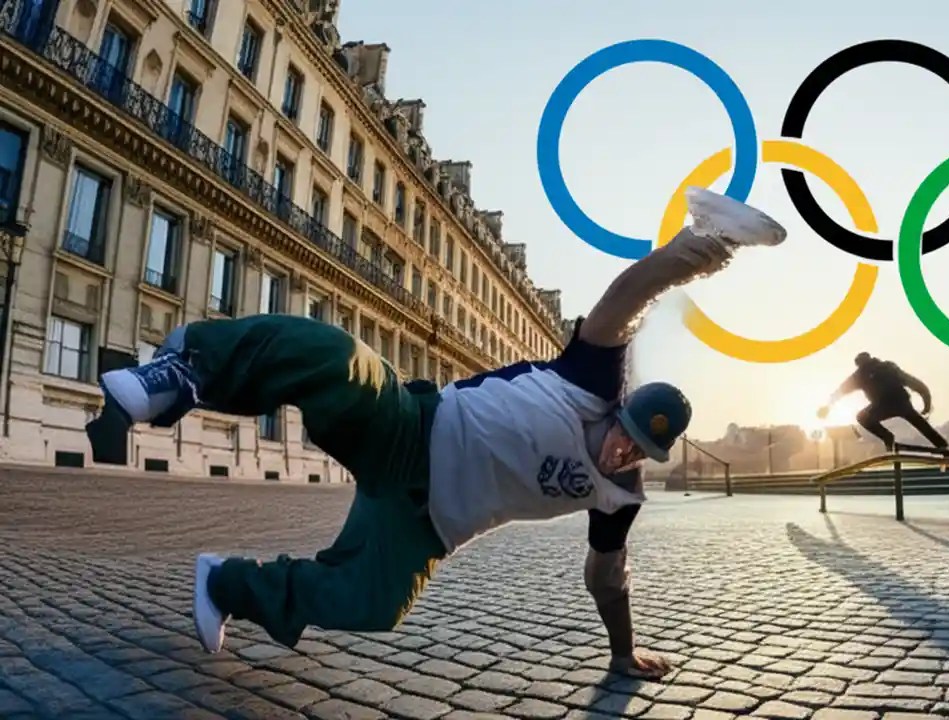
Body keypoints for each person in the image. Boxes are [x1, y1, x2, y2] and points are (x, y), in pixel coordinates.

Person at [84, 187, 787, 680]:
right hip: (409, 429)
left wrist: (621, 652)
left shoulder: (620, 495)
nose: (623, 450)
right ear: (621, 410)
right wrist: (707, 246)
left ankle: (229, 585)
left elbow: (608, 579)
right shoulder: (592, 376)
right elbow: (632, 293)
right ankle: (186, 369)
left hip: (425, 526)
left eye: (640, 452)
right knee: (342, 363)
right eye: (625, 432)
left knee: (374, 604)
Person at [816, 352, 949, 455]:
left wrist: (827, 407)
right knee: (919, 422)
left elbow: (839, 392)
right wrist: (927, 404)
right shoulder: (888, 367)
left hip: (882, 406)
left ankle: (887, 437)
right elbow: (916, 384)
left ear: (858, 365)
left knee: (861, 417)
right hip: (902, 402)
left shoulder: (858, 376)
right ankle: (942, 445)